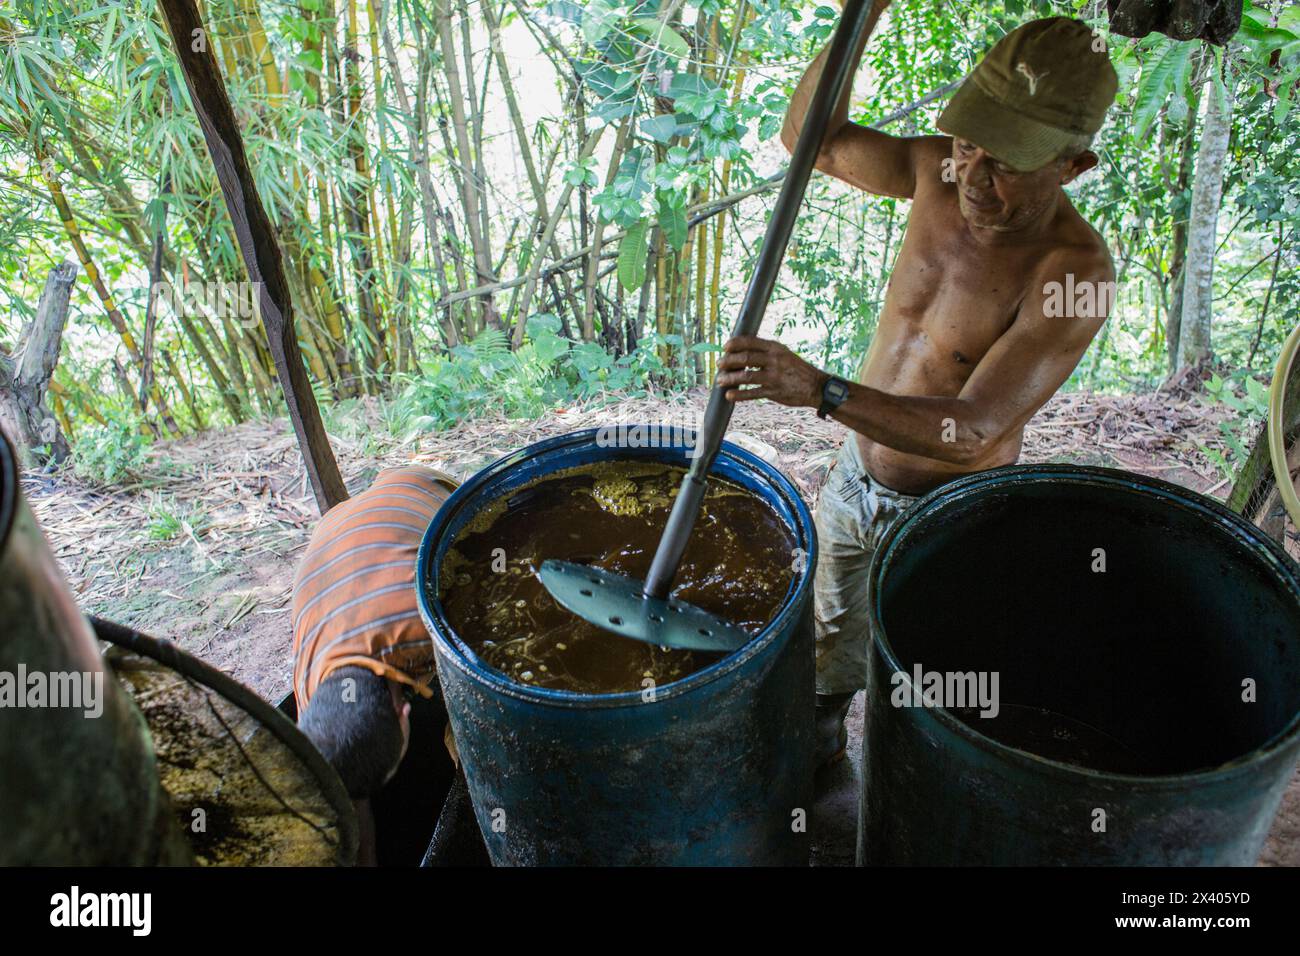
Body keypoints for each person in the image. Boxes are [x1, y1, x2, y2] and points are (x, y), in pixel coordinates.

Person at [714, 9, 1118, 766]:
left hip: (951, 521)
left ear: (1073, 166)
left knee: (928, 690)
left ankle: (905, 802)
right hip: (856, 478)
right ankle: (822, 756)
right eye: (968, 144)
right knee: (827, 653)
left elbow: (969, 430)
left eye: (1006, 162)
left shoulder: (1075, 276)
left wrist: (819, 390)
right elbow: (814, 144)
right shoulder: (937, 170)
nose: (971, 176)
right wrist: (858, 17)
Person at [292, 464, 458, 863]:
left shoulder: (430, 624)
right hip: (342, 527)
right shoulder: (309, 689)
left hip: (422, 486)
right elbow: (344, 790)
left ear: (405, 712)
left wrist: (462, 755)